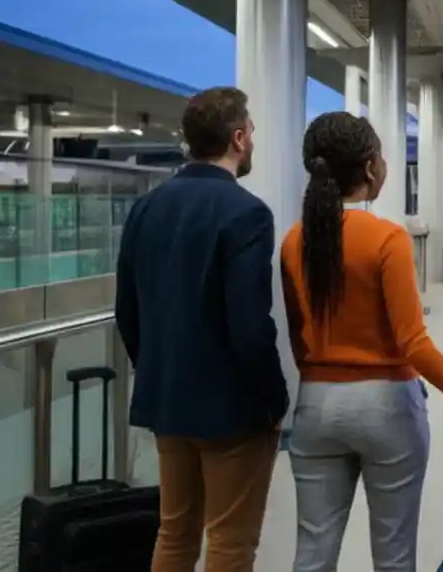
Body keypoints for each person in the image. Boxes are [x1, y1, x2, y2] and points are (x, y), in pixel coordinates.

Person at [280, 111, 443, 571]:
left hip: (316, 404)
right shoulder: (387, 239)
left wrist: (320, 381)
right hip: (387, 407)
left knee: (313, 553)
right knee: (393, 554)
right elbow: (415, 345)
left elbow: (298, 337)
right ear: (371, 168)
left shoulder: (295, 241)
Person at [115, 86, 289, 572]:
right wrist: (273, 399)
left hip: (167, 404)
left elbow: (126, 310)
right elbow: (250, 326)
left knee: (175, 533)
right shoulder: (246, 213)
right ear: (237, 138)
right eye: (251, 131)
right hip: (232, 412)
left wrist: (155, 371)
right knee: (231, 542)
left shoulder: (146, 208)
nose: (252, 139)